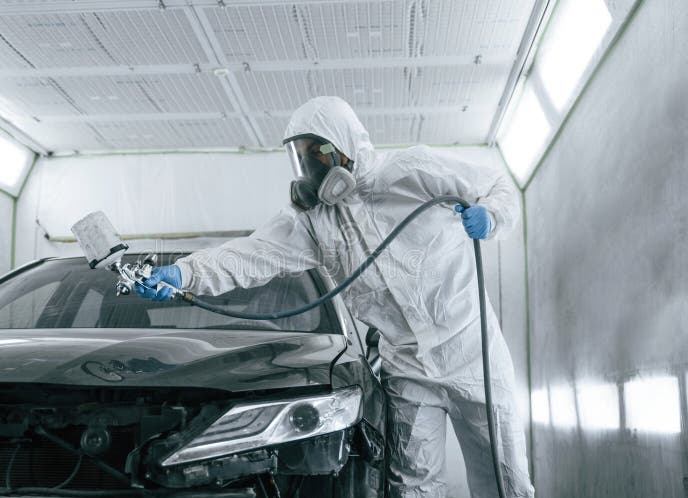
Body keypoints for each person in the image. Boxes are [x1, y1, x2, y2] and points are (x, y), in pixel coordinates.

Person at [135, 96, 534, 498]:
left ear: (345, 145)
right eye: (301, 157)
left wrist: (493, 215)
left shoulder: (413, 171)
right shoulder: (314, 222)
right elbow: (249, 256)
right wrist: (184, 273)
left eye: (317, 152)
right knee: (413, 487)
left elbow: (498, 186)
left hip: (473, 354)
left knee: (505, 478)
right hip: (407, 368)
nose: (310, 167)